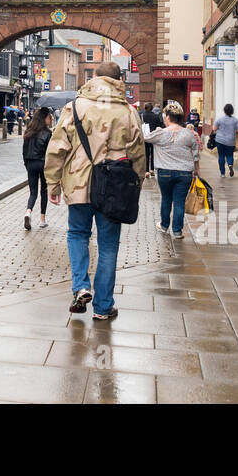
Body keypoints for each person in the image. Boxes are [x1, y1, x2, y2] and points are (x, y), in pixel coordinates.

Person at [45, 61, 145, 321]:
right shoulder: (128, 112)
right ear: (118, 81)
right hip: (113, 189)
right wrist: (136, 187)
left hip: (79, 184)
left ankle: (80, 286)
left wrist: (52, 184)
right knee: (108, 246)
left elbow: (57, 147)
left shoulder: (75, 106)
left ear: (95, 78)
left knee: (77, 234)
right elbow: (138, 155)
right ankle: (102, 307)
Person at [142, 101, 200, 238]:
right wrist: (197, 170)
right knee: (179, 201)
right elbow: (196, 153)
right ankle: (178, 230)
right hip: (185, 173)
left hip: (165, 172)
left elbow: (144, 138)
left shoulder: (160, 133)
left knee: (166, 199)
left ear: (167, 117)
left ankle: (164, 225)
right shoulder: (188, 134)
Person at [21, 107, 54, 230]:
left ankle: (28, 212)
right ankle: (42, 220)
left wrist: (26, 164)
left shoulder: (28, 132)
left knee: (33, 192)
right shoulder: (48, 133)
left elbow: (24, 151)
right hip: (43, 164)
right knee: (44, 191)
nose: (50, 120)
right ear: (44, 118)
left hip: (30, 163)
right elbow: (50, 153)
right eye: (49, 118)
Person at [211, 104, 238, 178]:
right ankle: (230, 165)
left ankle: (222, 173)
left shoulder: (219, 119)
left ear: (224, 110)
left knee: (221, 156)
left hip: (220, 140)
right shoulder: (235, 120)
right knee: (230, 155)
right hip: (230, 141)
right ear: (232, 111)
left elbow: (214, 129)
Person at [140, 102, 161, 176]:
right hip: (153, 137)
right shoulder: (155, 116)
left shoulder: (142, 116)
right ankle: (152, 169)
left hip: (145, 137)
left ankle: (146, 170)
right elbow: (159, 127)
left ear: (145, 108)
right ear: (152, 108)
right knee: (153, 153)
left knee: (146, 153)